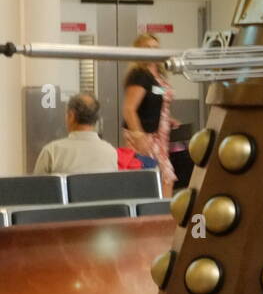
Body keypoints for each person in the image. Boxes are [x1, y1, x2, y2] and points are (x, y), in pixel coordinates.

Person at [122, 33, 179, 197]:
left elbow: (156, 99)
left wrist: (168, 119)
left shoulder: (157, 76)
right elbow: (129, 109)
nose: (152, 51)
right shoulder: (140, 75)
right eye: (147, 48)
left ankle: (162, 216)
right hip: (144, 134)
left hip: (159, 135)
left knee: (163, 178)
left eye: (155, 48)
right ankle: (161, 216)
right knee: (163, 177)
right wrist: (139, 136)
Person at [32, 93, 119, 174]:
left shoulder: (52, 152)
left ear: (71, 116)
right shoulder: (111, 153)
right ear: (96, 119)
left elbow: (37, 188)